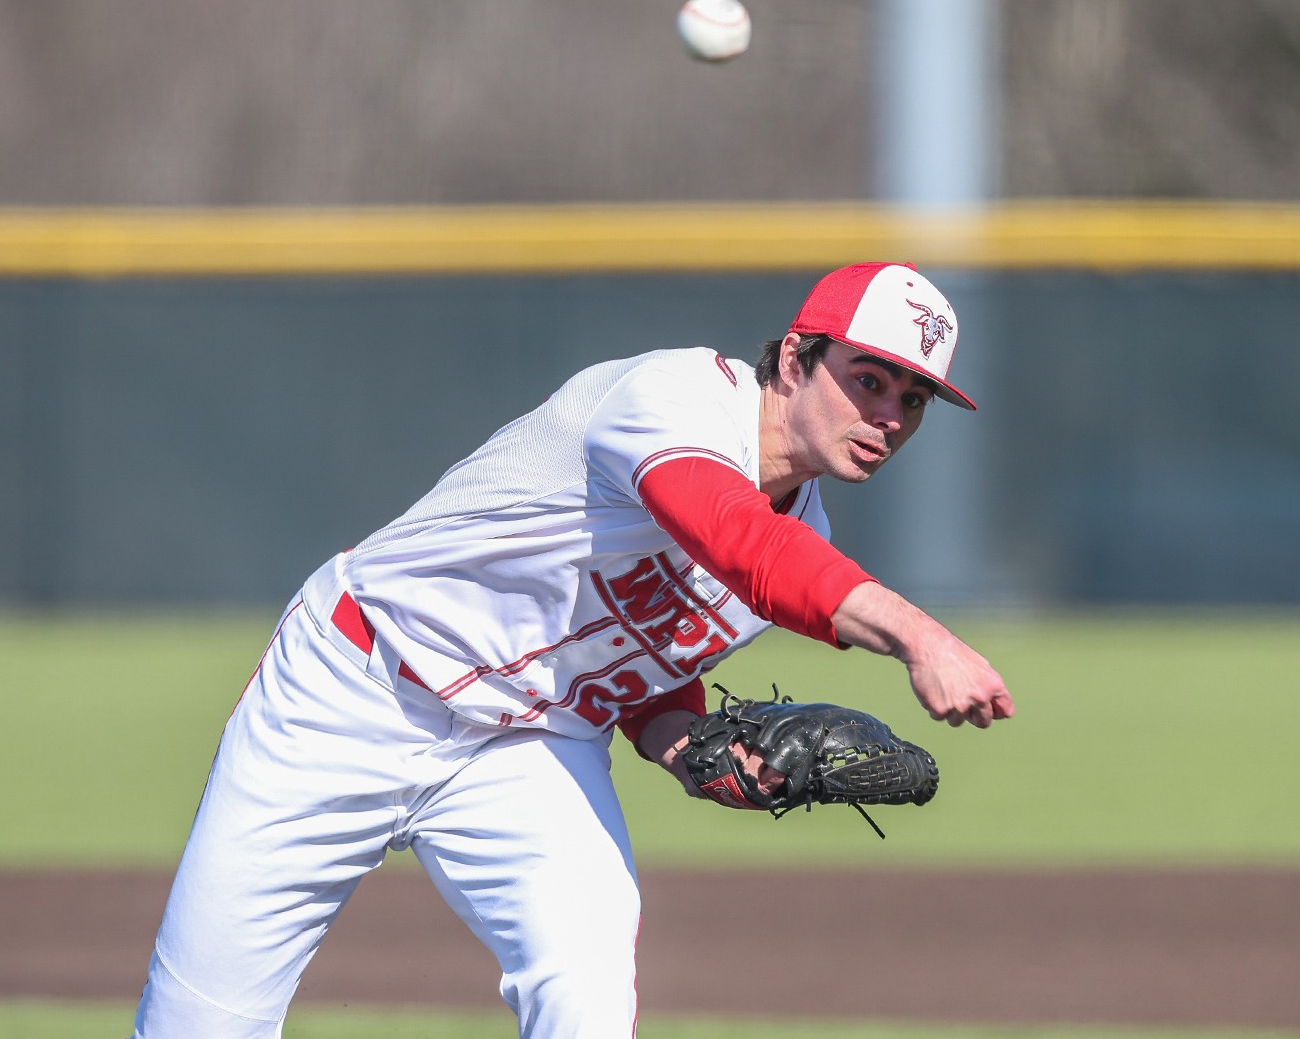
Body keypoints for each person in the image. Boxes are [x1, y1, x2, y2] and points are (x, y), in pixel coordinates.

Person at [130, 261, 1014, 1039]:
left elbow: (642, 678)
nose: (887, 416)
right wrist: (919, 636)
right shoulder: (672, 399)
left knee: (587, 986)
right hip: (354, 690)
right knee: (200, 1024)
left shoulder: (800, 538)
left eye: (912, 400)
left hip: (526, 745)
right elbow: (738, 539)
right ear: (794, 360)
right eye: (869, 380)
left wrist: (695, 753)